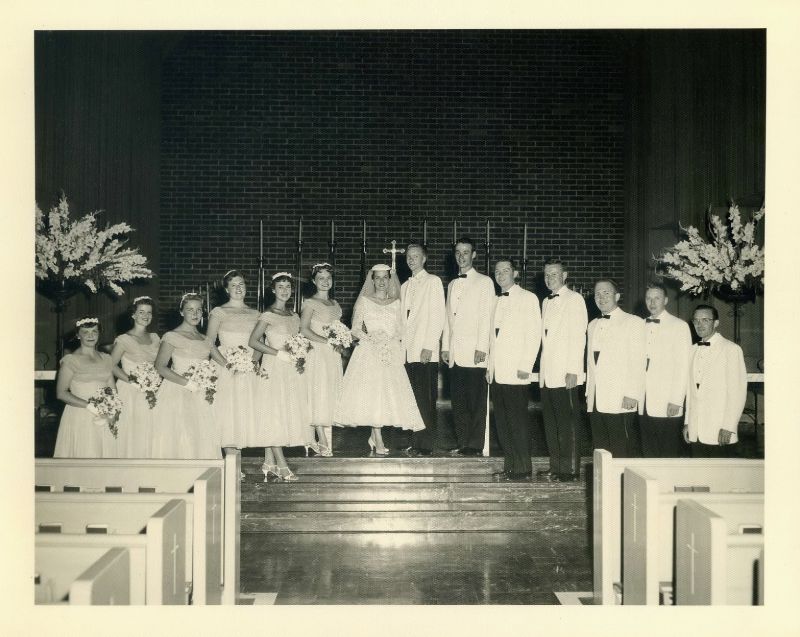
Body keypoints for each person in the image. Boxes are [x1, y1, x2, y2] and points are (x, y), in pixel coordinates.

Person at [334, 264, 424, 454]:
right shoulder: (364, 302)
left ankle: (375, 436)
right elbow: (356, 328)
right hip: (369, 350)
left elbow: (401, 329)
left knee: (386, 396)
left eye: (385, 278)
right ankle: (378, 438)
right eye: (378, 278)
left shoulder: (397, 303)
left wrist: (390, 339)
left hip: (389, 351)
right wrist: (372, 337)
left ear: (390, 279)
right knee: (373, 394)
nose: (382, 281)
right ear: (372, 280)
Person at [249, 273, 313, 481]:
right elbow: (254, 341)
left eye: (288, 287)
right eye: (280, 287)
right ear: (273, 290)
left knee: (282, 412)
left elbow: (298, 340)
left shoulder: (293, 316)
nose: (285, 291)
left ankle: (269, 462)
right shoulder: (268, 315)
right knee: (274, 413)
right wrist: (277, 354)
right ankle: (283, 465)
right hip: (275, 366)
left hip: (291, 369)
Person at [486, 259, 541, 480]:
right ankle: (510, 465)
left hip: (516, 371)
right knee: (502, 422)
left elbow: (534, 334)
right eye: (497, 272)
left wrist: (525, 366)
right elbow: (492, 339)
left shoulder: (528, 298)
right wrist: (490, 368)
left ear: (515, 273)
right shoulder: (494, 300)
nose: (500, 275)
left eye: (505, 271)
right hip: (498, 372)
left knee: (517, 422)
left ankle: (522, 468)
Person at [441, 237, 496, 456]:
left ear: (474, 255)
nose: (461, 256)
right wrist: (445, 346)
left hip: (475, 351)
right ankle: (463, 442)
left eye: (466, 252)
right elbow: (448, 318)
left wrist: (482, 347)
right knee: (459, 401)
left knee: (475, 401)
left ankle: (474, 444)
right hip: (455, 352)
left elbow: (487, 317)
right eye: (458, 252)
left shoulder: (485, 282)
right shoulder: (453, 284)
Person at [152, 293, 221, 459]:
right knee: (182, 434)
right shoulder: (171, 336)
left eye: (199, 310)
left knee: (202, 434)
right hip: (178, 390)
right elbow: (160, 367)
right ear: (181, 312)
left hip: (202, 392)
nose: (195, 313)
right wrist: (187, 383)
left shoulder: (206, 339)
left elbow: (220, 362)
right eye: (190, 310)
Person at [538, 259, 588, 481]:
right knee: (551, 424)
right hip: (548, 373)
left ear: (565, 275)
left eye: (554, 274)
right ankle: (556, 466)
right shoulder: (545, 302)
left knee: (568, 424)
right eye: (547, 275)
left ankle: (569, 470)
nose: (550, 279)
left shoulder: (575, 299)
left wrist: (573, 370)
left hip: (565, 372)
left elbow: (579, 337)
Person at [586, 279, 646, 458]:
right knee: (600, 448)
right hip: (596, 398)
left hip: (620, 397)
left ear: (617, 296)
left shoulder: (633, 322)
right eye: (597, 293)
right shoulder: (592, 325)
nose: (601, 297)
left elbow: (638, 361)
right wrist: (590, 392)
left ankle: (623, 485)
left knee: (622, 447)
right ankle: (605, 485)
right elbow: (592, 364)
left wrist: (632, 393)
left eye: (606, 293)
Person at [205, 270, 262, 450]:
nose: (239, 288)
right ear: (227, 290)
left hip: (249, 365)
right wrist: (228, 365)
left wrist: (251, 362)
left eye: (242, 284)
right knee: (227, 412)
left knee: (245, 412)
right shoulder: (219, 312)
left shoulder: (255, 313)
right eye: (234, 285)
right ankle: (230, 459)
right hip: (225, 365)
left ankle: (240, 460)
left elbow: (259, 343)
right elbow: (209, 343)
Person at [399, 244, 446, 456]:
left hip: (424, 350)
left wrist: (429, 345)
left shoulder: (432, 281)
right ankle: (416, 441)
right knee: (412, 399)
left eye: (416, 256)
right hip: (408, 351)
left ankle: (425, 445)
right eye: (409, 256)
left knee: (425, 399)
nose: (412, 260)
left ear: (424, 258)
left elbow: (437, 316)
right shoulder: (404, 286)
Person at [683, 304, 747, 457]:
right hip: (696, 430)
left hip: (720, 431)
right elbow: (690, 392)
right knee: (700, 478)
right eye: (696, 320)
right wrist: (687, 423)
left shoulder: (731, 349)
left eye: (705, 320)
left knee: (721, 478)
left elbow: (737, 392)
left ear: (716, 323)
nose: (699, 324)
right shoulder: (691, 350)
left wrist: (729, 426)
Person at [639, 282, 692, 457]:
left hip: (667, 400)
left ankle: (667, 484)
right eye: (648, 298)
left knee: (668, 450)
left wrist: (676, 400)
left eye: (657, 298)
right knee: (648, 449)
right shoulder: (639, 325)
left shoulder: (679, 326)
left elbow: (683, 366)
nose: (652, 303)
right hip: (643, 400)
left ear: (666, 300)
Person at [54, 317, 117, 458]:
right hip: (81, 414)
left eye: (94, 331)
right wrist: (90, 406)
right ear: (78, 335)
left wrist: (112, 410)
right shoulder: (71, 360)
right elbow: (61, 393)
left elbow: (112, 389)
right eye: (86, 332)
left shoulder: (106, 358)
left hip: (104, 413)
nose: (91, 335)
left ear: (99, 333)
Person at [299, 262, 342, 456]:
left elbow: (338, 329)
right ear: (314, 281)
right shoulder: (310, 303)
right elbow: (304, 329)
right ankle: (320, 439)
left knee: (329, 393)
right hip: (317, 351)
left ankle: (326, 440)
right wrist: (327, 341)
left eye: (328, 278)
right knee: (318, 393)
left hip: (332, 354)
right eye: (321, 278)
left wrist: (341, 339)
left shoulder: (335, 304)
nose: (325, 281)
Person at [110, 296, 161, 458]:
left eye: (149, 312)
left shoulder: (155, 338)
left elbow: (160, 364)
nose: (145, 316)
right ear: (133, 314)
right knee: (132, 431)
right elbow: (110, 366)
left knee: (151, 430)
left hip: (152, 389)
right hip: (130, 390)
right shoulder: (124, 339)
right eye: (141, 312)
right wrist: (133, 380)